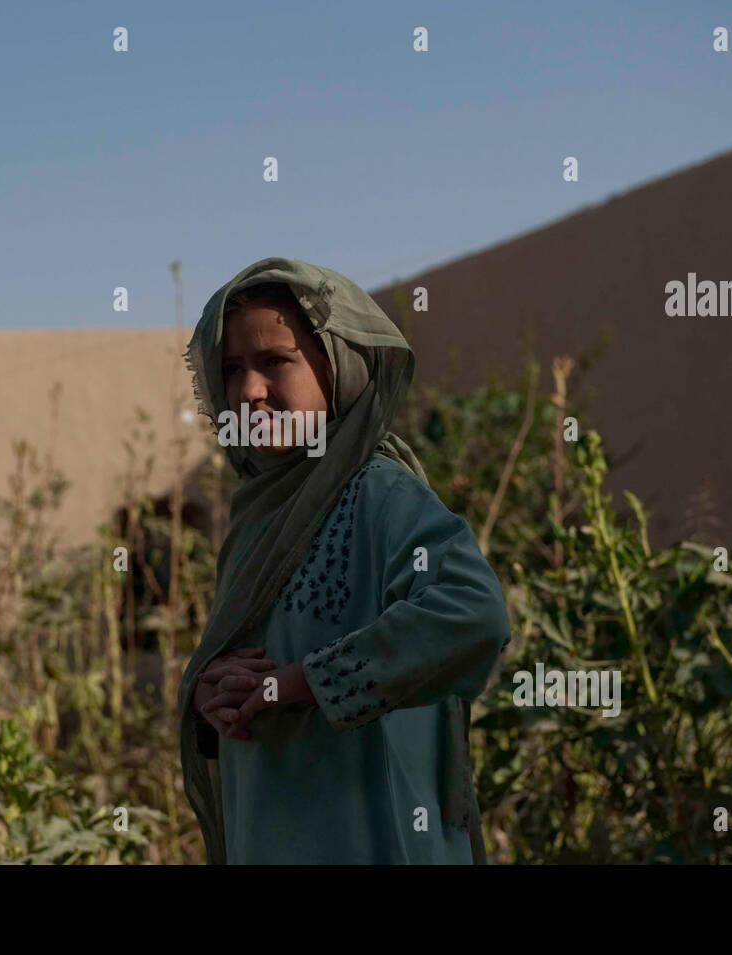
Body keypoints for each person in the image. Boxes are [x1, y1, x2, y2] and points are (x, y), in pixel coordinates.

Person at [177, 257, 512, 864]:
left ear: (339, 367)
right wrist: (209, 693)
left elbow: (473, 615)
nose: (249, 391)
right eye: (231, 370)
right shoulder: (257, 518)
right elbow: (242, 659)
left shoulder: (379, 494)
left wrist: (302, 683)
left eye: (275, 361)